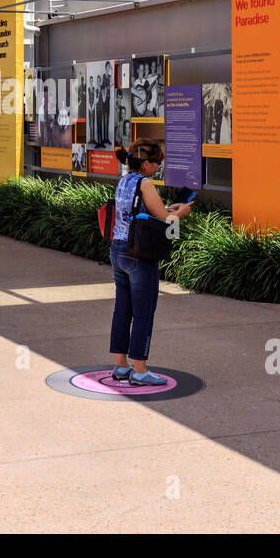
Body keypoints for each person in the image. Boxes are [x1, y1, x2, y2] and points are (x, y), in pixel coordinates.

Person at [107, 139, 192, 385]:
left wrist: (170, 209)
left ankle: (121, 365)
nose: (158, 168)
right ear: (146, 163)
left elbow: (139, 211)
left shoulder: (124, 180)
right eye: (156, 163)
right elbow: (166, 221)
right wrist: (180, 213)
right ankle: (141, 370)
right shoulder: (145, 183)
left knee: (122, 311)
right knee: (144, 312)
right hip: (139, 254)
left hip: (118, 250)